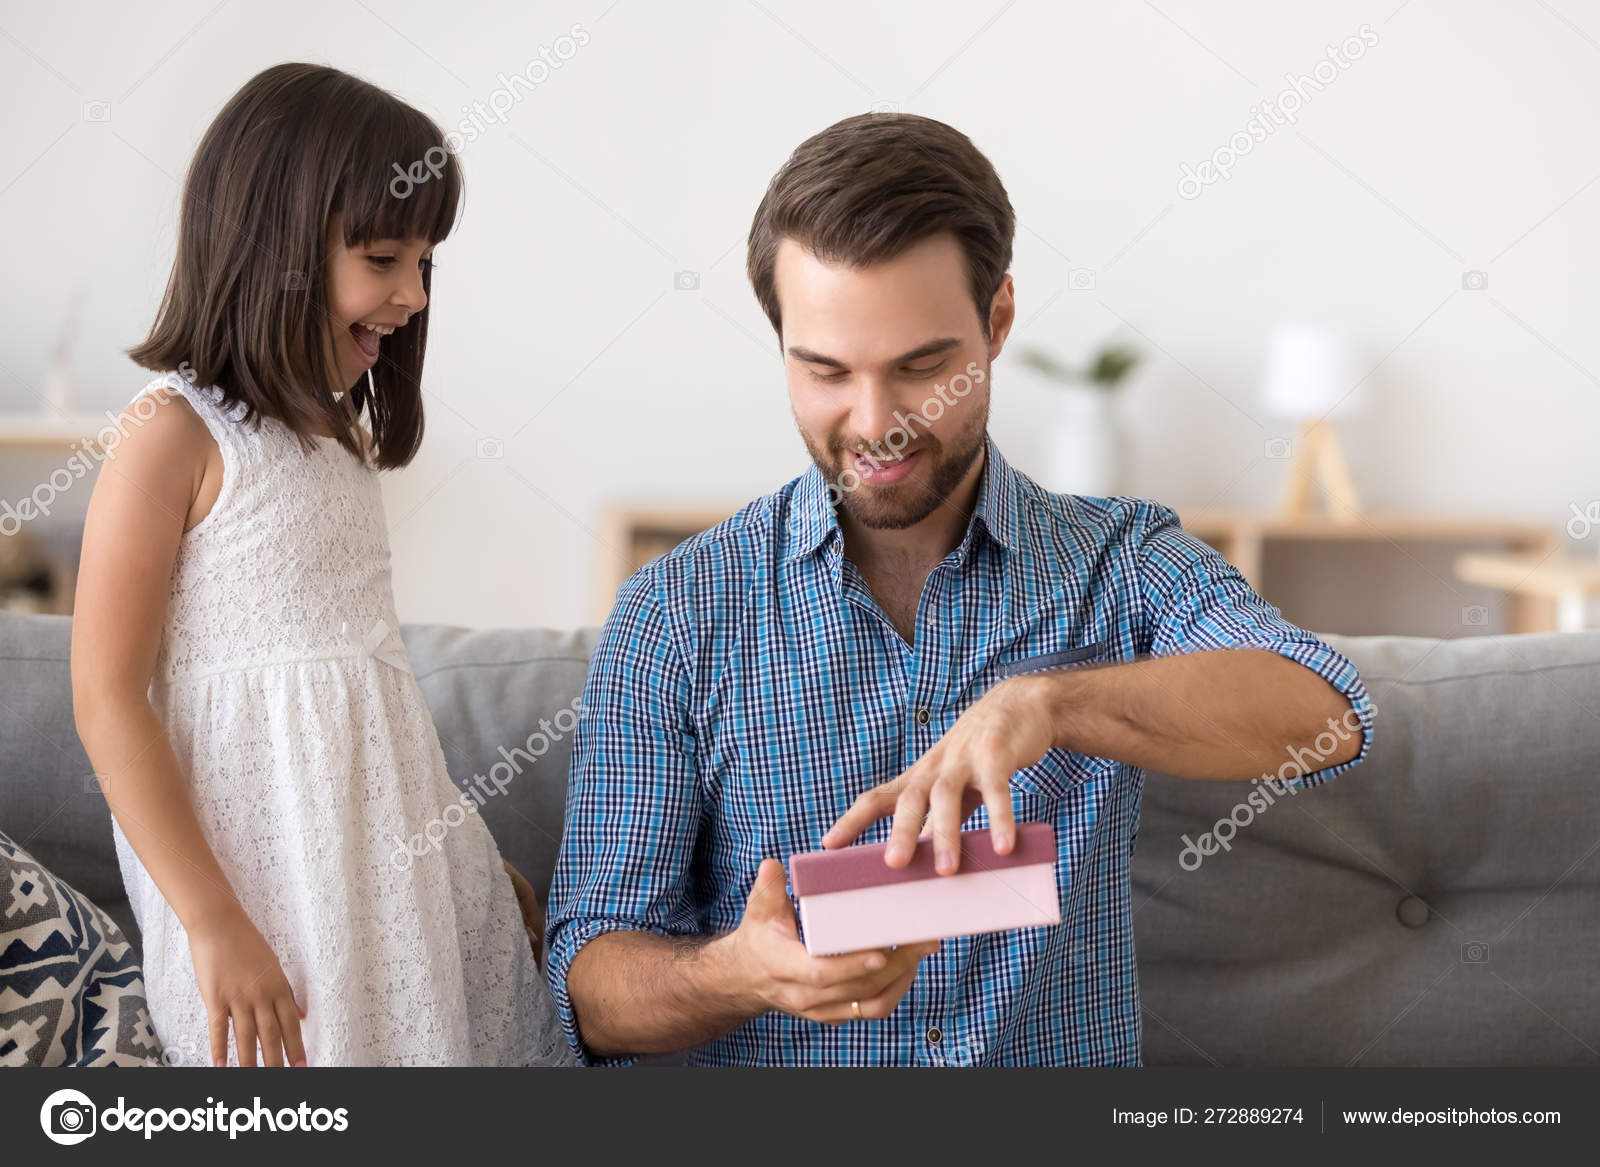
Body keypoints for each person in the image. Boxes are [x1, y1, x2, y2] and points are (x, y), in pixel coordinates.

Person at [545, 112, 1376, 1067]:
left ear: (998, 322)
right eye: (825, 370)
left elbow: (1329, 711)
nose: (874, 421)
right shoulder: (679, 610)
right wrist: (742, 973)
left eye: (922, 367)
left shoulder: (1120, 562)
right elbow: (588, 987)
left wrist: (1052, 705)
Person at [71, 63, 571, 1068]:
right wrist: (214, 924)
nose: (412, 294)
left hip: (396, 892)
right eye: (384, 256)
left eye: (426, 262)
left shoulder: (340, 444)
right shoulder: (171, 436)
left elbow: (368, 700)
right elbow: (106, 697)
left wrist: (462, 853)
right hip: (257, 902)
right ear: (272, 246)